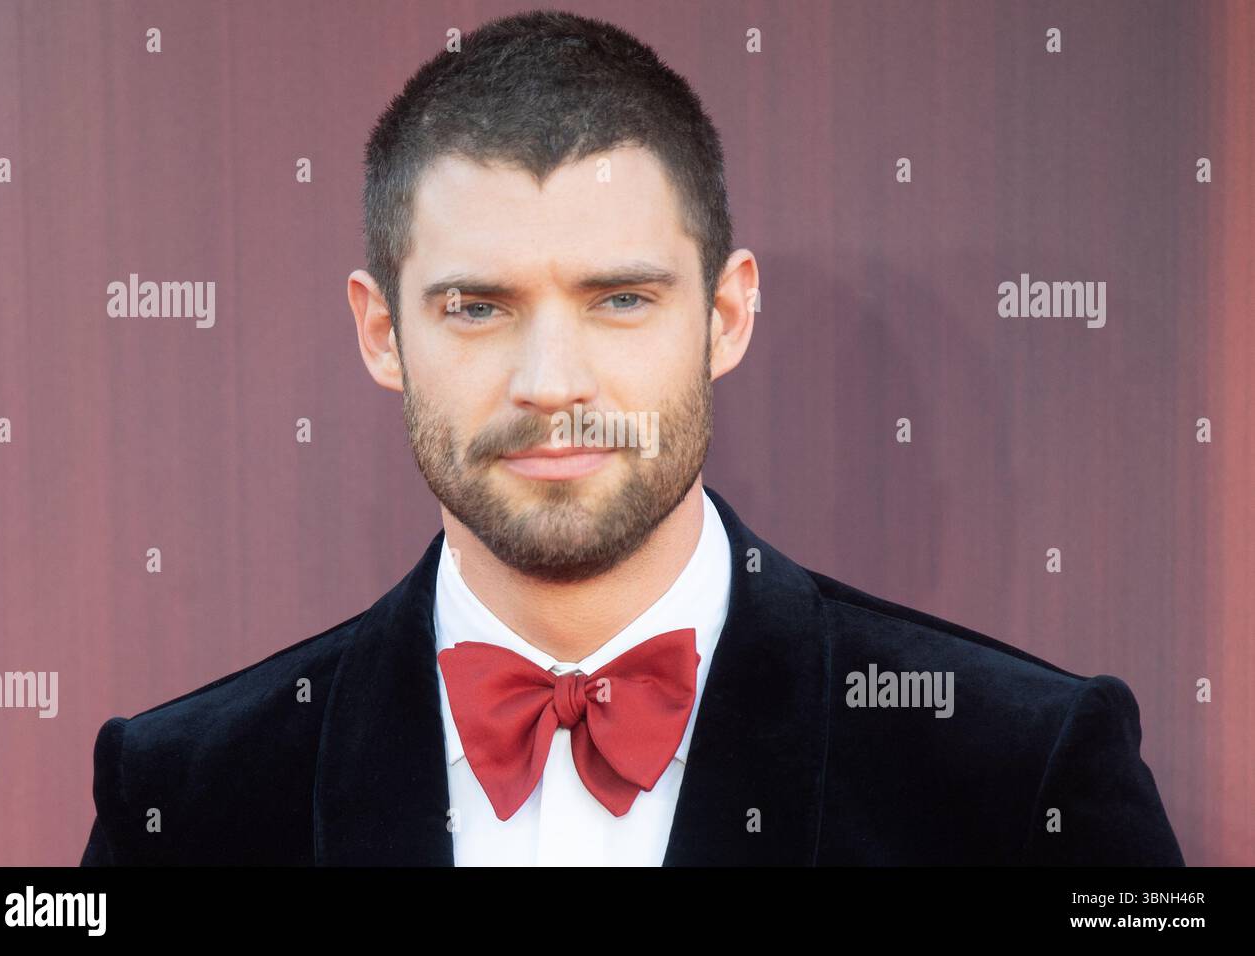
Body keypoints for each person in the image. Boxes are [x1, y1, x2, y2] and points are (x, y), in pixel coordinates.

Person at [80, 10, 1184, 866]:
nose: (552, 384)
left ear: (727, 314)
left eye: (619, 298)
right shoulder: (182, 792)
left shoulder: (1020, 768)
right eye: (477, 305)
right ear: (381, 330)